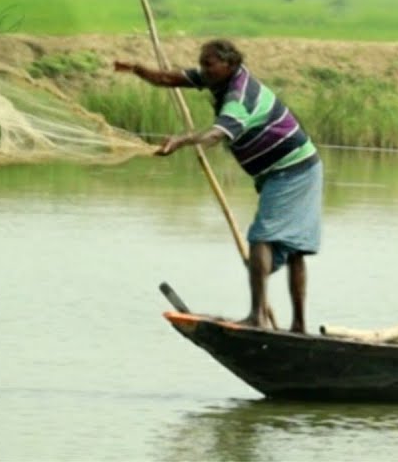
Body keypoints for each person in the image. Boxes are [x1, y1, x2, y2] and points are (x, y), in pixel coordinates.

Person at [114, 39, 322, 333]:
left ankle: (257, 317)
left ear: (229, 64)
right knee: (294, 248)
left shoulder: (239, 95)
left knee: (263, 238)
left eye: (209, 65)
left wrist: (182, 141)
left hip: (292, 170)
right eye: (202, 64)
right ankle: (297, 326)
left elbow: (216, 135)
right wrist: (136, 68)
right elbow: (168, 78)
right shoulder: (219, 79)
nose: (204, 70)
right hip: (290, 169)